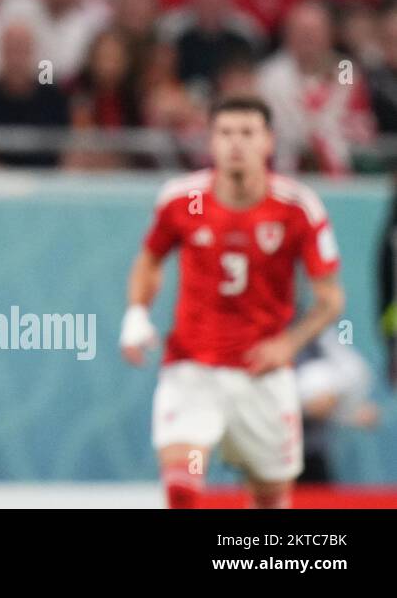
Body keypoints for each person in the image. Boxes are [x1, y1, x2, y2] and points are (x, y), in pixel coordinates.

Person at [119, 95, 345, 508]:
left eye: (247, 133)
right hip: (192, 368)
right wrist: (136, 314)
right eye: (225, 133)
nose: (235, 143)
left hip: (261, 374)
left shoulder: (298, 208)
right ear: (211, 141)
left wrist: (288, 345)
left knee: (269, 498)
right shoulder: (180, 199)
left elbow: (330, 299)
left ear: (268, 142)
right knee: (182, 488)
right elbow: (149, 261)